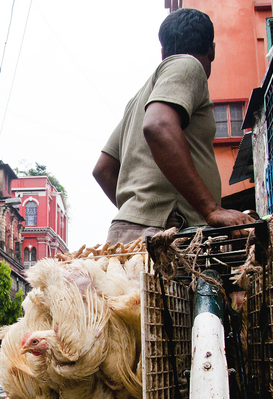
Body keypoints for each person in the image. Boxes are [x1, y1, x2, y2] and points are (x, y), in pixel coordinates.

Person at [92, 8, 255, 245]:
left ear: (163, 52)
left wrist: (139, 212)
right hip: (168, 233)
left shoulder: (139, 99)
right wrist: (211, 210)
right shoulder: (188, 65)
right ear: (212, 49)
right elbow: (158, 126)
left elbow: (103, 169)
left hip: (128, 232)